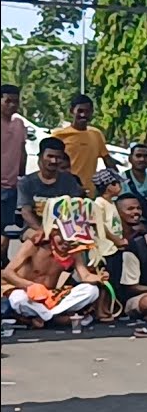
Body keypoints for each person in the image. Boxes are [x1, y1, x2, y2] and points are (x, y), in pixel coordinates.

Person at [2, 197, 102, 326]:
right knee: (18, 299)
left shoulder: (73, 250)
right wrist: (30, 286)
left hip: (52, 297)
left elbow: (85, 276)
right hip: (27, 294)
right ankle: (53, 317)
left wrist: (100, 278)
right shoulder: (35, 243)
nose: (67, 244)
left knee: (91, 291)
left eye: (71, 241)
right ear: (54, 231)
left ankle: (48, 316)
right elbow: (7, 273)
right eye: (63, 239)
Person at [16, 138, 84, 241]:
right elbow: (26, 212)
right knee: (39, 240)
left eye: (58, 157)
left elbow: (76, 210)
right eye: (50, 156)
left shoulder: (70, 181)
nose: (54, 161)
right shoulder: (26, 182)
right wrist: (44, 232)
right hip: (34, 229)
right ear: (40, 156)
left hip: (63, 230)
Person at [50, 94, 116, 198]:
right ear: (72, 111)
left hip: (89, 193)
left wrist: (117, 181)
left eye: (87, 111)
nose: (83, 115)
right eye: (80, 111)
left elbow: (107, 160)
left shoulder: (96, 134)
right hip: (64, 192)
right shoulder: (59, 135)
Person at [1, 84, 26, 260]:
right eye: (7, 101)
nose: (11, 105)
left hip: (11, 186)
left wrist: (21, 177)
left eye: (15, 102)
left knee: (6, 229)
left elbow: (22, 151)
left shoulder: (19, 124)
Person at [89, 169, 127, 267]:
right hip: (105, 251)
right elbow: (100, 225)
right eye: (117, 183)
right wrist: (117, 241)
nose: (120, 186)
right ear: (109, 186)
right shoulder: (99, 203)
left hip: (114, 248)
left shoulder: (111, 202)